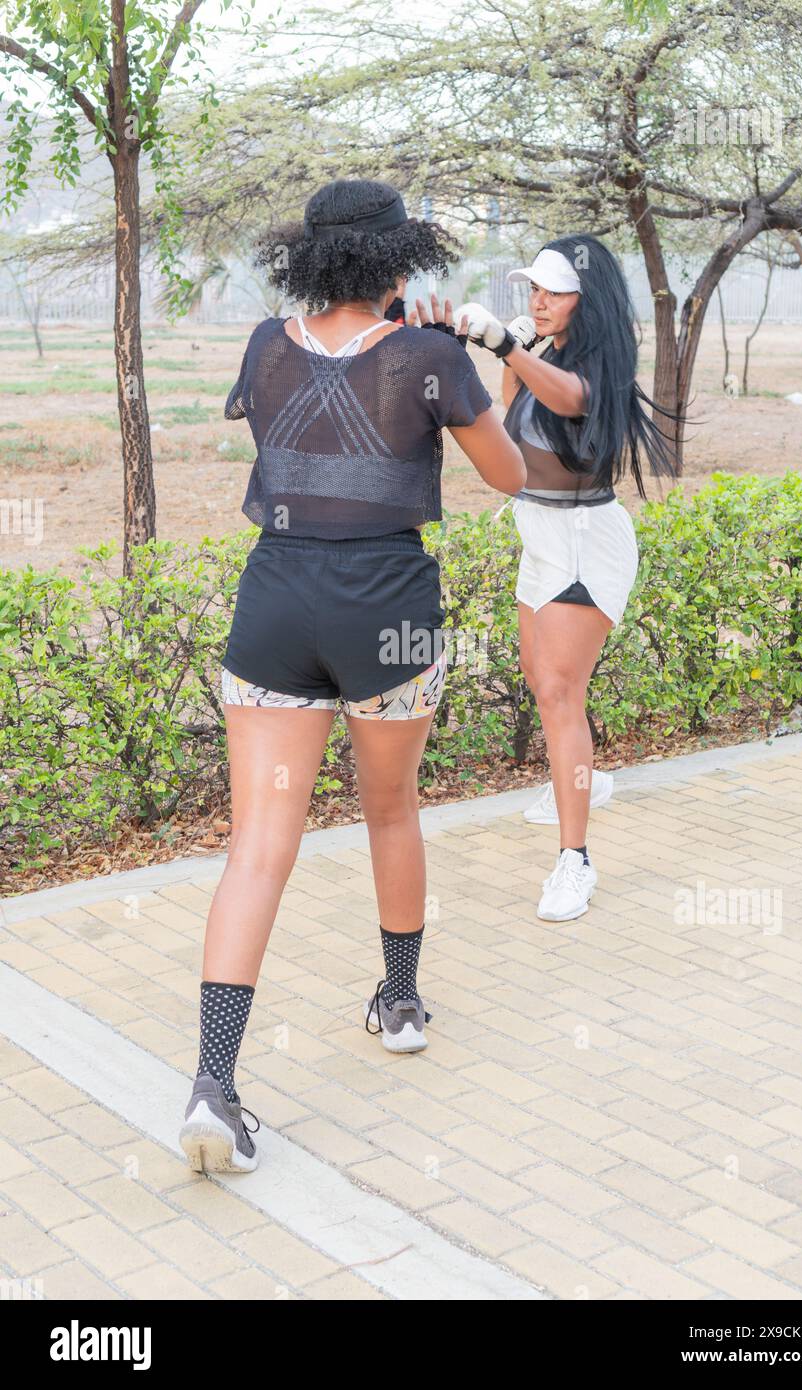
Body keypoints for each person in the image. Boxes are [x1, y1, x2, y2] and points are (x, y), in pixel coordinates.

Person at [179, 178, 525, 1174]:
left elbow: (296, 425)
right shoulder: (426, 355)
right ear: (397, 262)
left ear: (310, 256)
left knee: (256, 848)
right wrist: (464, 357)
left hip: (276, 604)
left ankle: (212, 1083)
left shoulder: (263, 344)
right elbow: (505, 477)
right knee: (389, 809)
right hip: (391, 614)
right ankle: (400, 1001)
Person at [457, 235, 681, 924]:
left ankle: (574, 862)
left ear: (589, 300)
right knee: (543, 680)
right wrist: (511, 356)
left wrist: (507, 346)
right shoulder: (539, 354)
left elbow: (574, 402)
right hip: (540, 535)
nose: (539, 301)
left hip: (586, 542)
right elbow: (509, 422)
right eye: (533, 290)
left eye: (554, 291)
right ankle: (580, 776)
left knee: (559, 692)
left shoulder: (598, 366)